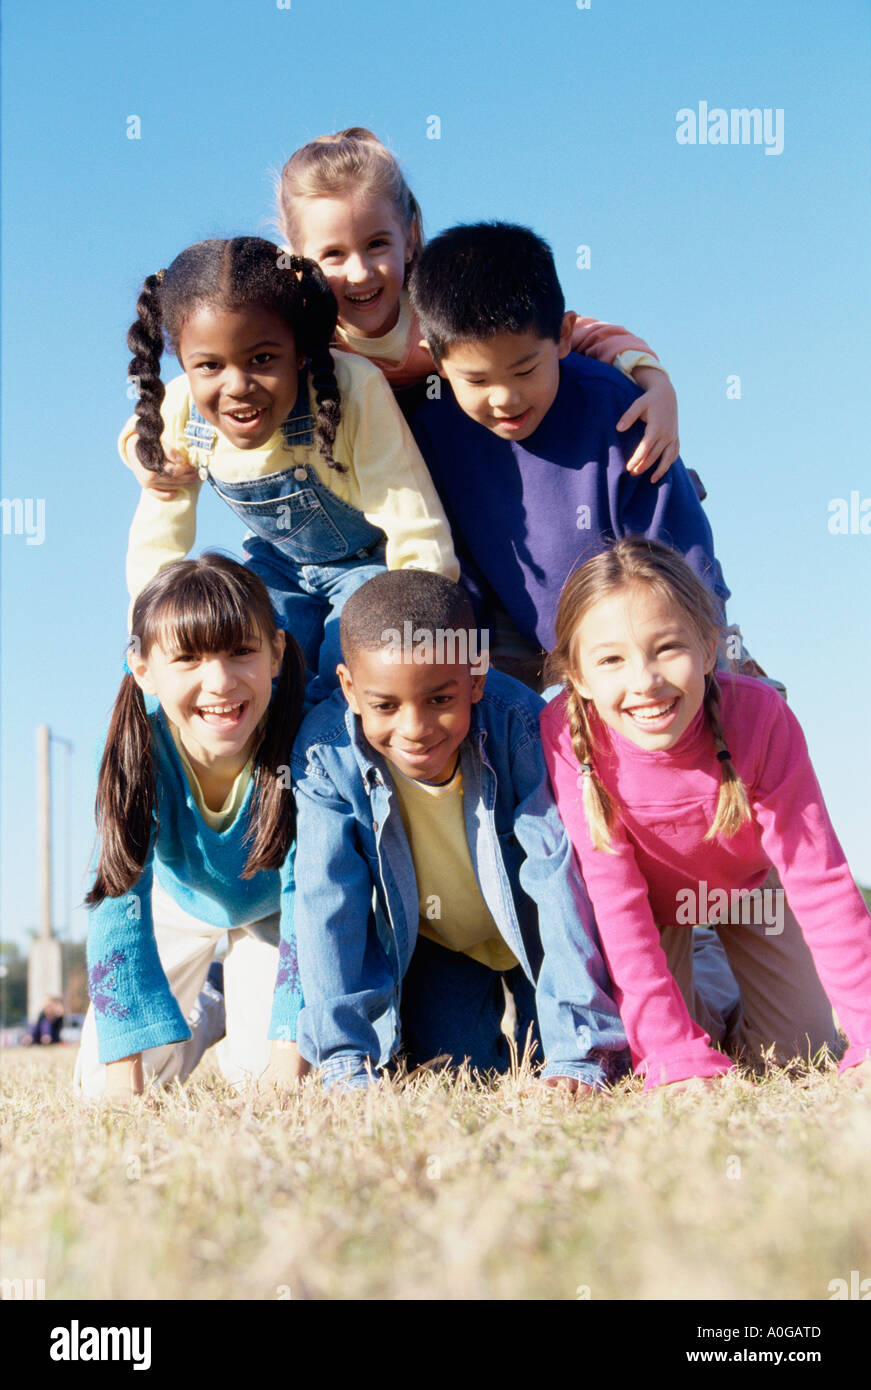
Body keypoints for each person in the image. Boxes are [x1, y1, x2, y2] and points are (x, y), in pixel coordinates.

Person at [539, 537, 871, 1090]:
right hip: (653, 909)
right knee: (687, 1045)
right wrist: (671, 1054)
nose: (644, 681)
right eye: (612, 660)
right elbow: (616, 905)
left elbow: (821, 881)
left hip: (748, 890)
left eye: (668, 647)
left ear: (710, 646)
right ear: (577, 676)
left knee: (796, 1057)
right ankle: (705, 965)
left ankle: (717, 955)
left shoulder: (762, 716)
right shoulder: (570, 737)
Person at [290, 568, 627, 1093]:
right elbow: (328, 902)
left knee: (567, 1070)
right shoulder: (324, 756)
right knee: (456, 1077)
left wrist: (579, 1050)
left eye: (440, 700)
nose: (415, 728)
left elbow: (558, 875)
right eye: (385, 706)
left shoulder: (520, 724)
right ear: (350, 689)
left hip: (538, 935)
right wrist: (344, 1056)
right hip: (440, 943)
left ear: (476, 676)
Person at [408, 220, 743, 687]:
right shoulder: (434, 428)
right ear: (437, 362)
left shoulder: (615, 407)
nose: (504, 398)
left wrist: (689, 647)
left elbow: (681, 554)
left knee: (713, 712)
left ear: (564, 336)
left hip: (654, 623)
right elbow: (457, 562)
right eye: (478, 381)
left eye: (525, 370)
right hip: (537, 638)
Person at [119, 236, 458, 695]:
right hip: (274, 566)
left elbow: (413, 520)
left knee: (356, 681)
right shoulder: (179, 411)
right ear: (183, 362)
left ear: (298, 349)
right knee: (257, 674)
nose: (237, 385)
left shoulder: (352, 389)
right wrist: (149, 631)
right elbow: (159, 542)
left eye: (262, 359)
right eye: (210, 366)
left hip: (368, 567)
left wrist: (416, 627)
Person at [275, 127, 680, 479]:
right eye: (333, 255)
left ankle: (623, 474)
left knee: (545, 360)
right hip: (386, 472)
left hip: (470, 450)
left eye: (377, 244)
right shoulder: (306, 337)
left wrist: (655, 384)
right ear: (297, 260)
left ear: (411, 237)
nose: (361, 272)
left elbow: (564, 330)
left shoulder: (437, 308)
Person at [74, 553, 309, 1101]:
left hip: (274, 910)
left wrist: (286, 1053)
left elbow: (309, 902)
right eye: (187, 658)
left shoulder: (306, 744)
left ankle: (237, 995)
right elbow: (119, 908)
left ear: (276, 652)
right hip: (177, 907)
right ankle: (205, 1000)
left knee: (270, 1080)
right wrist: (123, 1073)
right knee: (99, 1089)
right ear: (143, 669)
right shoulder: (133, 757)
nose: (220, 681)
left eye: (241, 652)